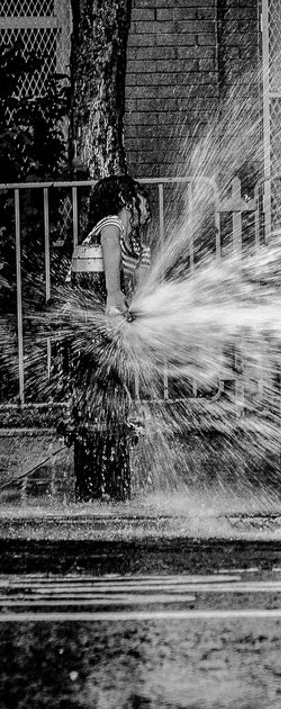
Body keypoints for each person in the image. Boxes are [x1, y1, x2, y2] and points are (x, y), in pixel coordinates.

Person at [60, 174, 152, 500]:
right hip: (90, 324)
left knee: (116, 391)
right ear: (126, 201)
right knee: (97, 391)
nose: (147, 202)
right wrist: (114, 293)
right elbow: (109, 246)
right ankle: (93, 486)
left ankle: (111, 484)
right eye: (140, 197)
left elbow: (141, 286)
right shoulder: (110, 225)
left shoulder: (139, 246)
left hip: (108, 330)